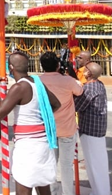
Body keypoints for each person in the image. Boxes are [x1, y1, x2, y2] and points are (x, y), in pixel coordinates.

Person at [0, 52, 61, 195]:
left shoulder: (19, 87)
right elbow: (56, 104)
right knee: (43, 187)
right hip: (42, 143)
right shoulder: (37, 83)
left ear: (11, 68)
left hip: (28, 146)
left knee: (24, 187)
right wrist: (40, 119)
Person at [39, 51, 83, 195]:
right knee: (66, 166)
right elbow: (80, 90)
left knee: (50, 164)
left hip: (48, 129)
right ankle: (68, 193)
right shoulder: (68, 81)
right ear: (58, 65)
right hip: (67, 129)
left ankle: (52, 191)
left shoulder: (38, 82)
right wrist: (70, 73)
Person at [75, 62, 110, 195]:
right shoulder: (99, 84)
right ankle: (98, 191)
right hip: (98, 129)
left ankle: (101, 192)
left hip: (91, 130)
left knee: (95, 165)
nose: (83, 70)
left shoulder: (90, 89)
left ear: (88, 73)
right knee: (96, 164)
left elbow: (77, 106)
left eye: (85, 69)